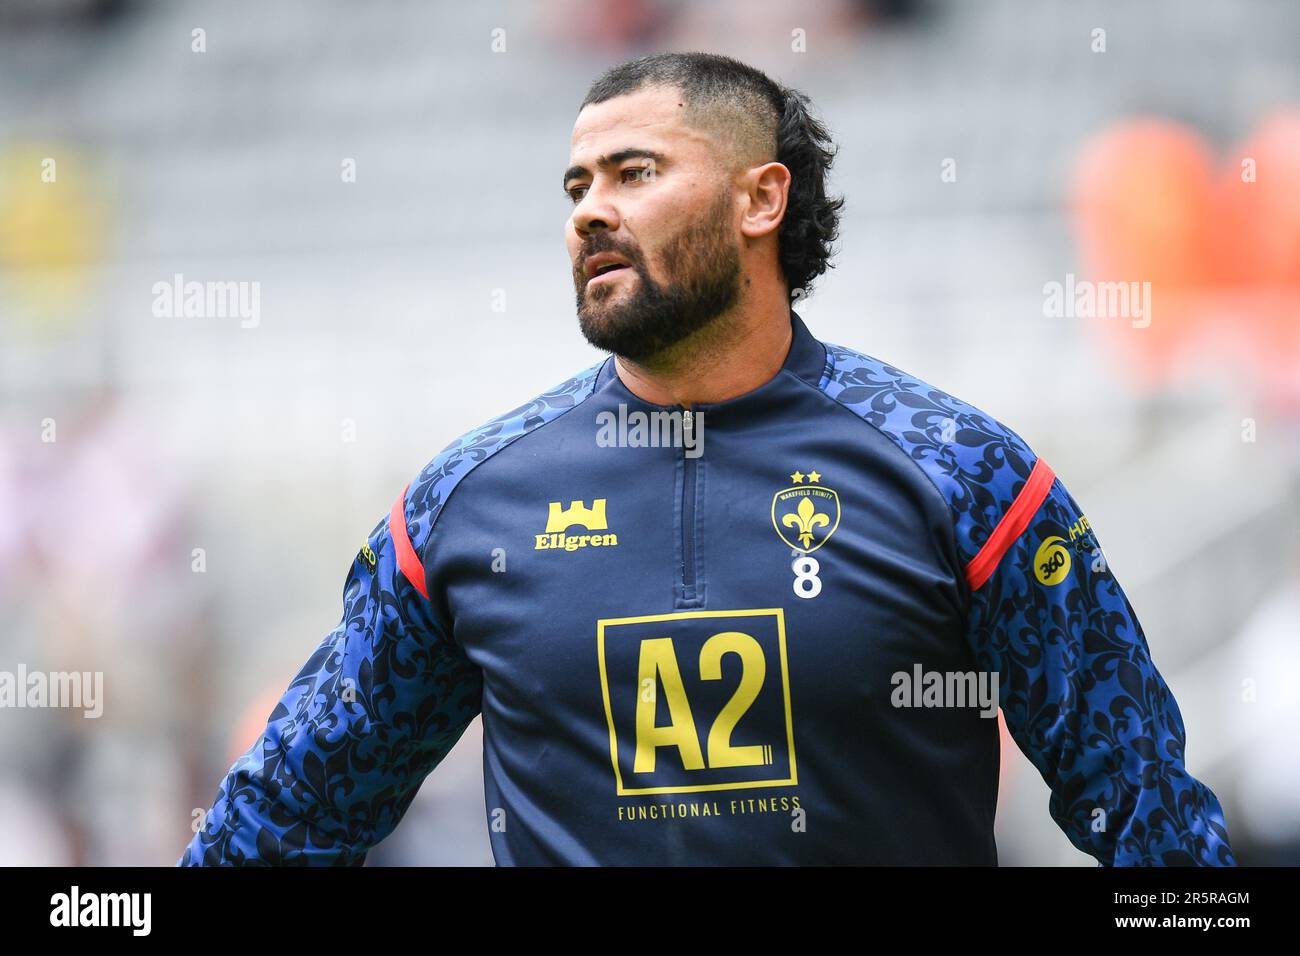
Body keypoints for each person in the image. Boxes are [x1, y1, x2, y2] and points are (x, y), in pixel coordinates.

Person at [180, 52, 1233, 866]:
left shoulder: (962, 474)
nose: (588, 208)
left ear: (758, 200)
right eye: (574, 185)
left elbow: (1140, 802)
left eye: (634, 172)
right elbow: (289, 812)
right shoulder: (465, 508)